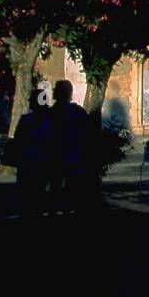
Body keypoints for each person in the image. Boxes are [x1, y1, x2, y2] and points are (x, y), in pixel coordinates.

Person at [47, 80, 91, 212]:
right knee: (70, 190)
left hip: (61, 157)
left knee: (58, 188)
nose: (53, 91)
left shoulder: (51, 114)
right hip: (72, 157)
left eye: (56, 89)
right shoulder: (78, 112)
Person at [11, 89, 53, 215]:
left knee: (27, 195)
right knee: (39, 193)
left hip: (28, 162)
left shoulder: (26, 120)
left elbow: (18, 140)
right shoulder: (51, 120)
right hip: (43, 162)